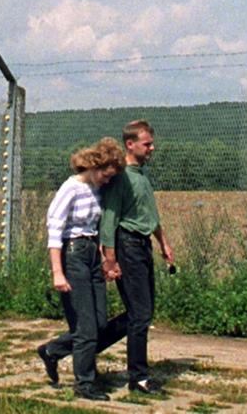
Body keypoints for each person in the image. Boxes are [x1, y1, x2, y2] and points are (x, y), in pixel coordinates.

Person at [34, 137, 124, 402]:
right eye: (106, 175)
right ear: (96, 167)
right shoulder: (70, 189)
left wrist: (104, 258)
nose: (108, 181)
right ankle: (85, 382)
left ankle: (52, 351)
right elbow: (54, 229)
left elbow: (96, 227)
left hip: (91, 253)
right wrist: (57, 272)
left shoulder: (97, 189)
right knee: (85, 326)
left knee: (97, 321)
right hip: (71, 254)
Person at [98, 118, 175, 395]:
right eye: (147, 143)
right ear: (130, 145)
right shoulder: (121, 178)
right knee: (140, 314)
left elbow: (149, 215)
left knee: (140, 312)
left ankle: (80, 346)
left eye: (152, 143)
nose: (152, 148)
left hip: (142, 245)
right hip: (127, 245)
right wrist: (110, 258)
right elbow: (109, 219)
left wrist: (163, 242)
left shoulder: (141, 175)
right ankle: (139, 378)